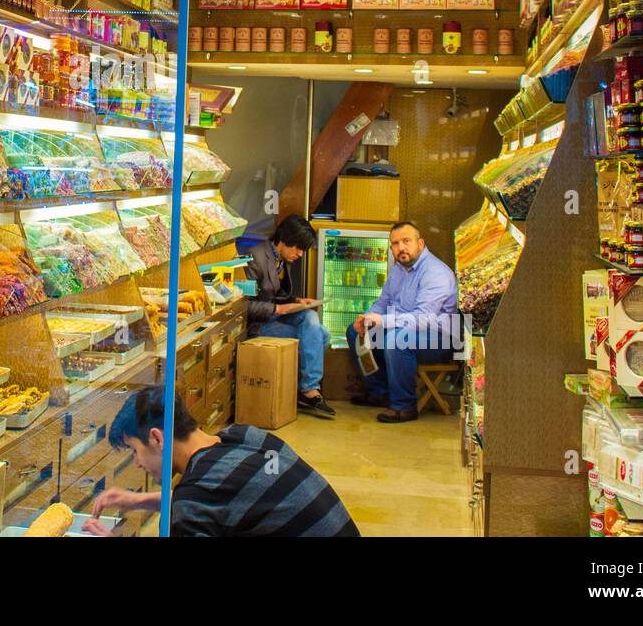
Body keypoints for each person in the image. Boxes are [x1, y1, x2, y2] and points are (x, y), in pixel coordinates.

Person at [85, 386, 360, 537]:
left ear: (158, 439)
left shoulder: (192, 502)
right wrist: (140, 501)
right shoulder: (245, 435)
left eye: (134, 450)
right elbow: (227, 498)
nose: (137, 463)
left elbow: (205, 500)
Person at [346, 220, 459, 424]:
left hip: (439, 339)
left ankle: (404, 406)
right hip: (404, 329)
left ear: (421, 243)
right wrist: (366, 318)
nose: (401, 248)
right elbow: (383, 302)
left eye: (406, 241)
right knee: (355, 333)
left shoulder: (435, 273)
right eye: (395, 244)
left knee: (397, 340)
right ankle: (380, 392)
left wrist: (383, 320)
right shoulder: (399, 269)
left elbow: (423, 319)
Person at [244, 215, 334, 417]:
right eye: (298, 248)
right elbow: (244, 306)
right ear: (284, 239)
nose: (300, 254)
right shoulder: (255, 257)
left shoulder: (280, 259)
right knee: (319, 335)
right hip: (258, 325)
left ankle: (306, 388)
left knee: (317, 326)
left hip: (274, 318)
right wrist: (278, 309)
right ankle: (308, 389)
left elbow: (276, 294)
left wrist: (296, 301)